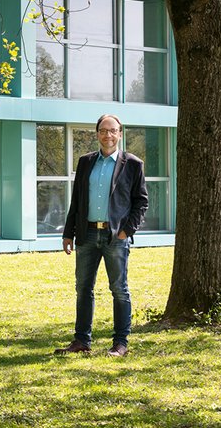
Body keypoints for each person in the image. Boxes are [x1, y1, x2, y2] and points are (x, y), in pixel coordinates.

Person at [56, 114, 148, 357]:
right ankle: (81, 341)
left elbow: (141, 202)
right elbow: (76, 200)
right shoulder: (86, 162)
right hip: (86, 234)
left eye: (113, 130)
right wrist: (68, 233)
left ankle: (120, 343)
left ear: (120, 134)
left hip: (114, 236)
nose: (108, 135)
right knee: (83, 288)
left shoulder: (133, 164)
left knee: (119, 289)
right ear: (97, 133)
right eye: (103, 130)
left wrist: (126, 231)